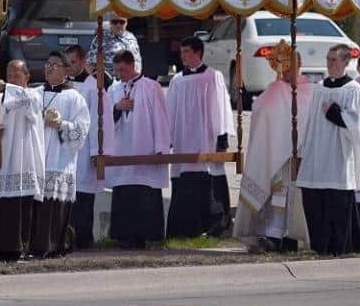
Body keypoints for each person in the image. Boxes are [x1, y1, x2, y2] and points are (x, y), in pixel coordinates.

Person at [234, 41, 313, 253]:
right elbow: (261, 112)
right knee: (278, 196)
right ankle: (274, 235)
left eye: (289, 67)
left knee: (297, 197)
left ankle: (294, 237)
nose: (285, 72)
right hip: (275, 153)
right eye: (282, 68)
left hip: (301, 154)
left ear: (298, 65)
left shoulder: (311, 90)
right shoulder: (274, 90)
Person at [296, 44, 360, 256]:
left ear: (346, 62)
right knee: (314, 201)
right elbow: (310, 123)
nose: (329, 64)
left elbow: (358, 127)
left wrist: (334, 113)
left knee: (338, 204)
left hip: (340, 156)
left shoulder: (353, 90)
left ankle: (341, 247)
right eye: (328, 59)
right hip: (316, 155)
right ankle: (320, 247)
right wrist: (304, 150)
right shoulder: (319, 88)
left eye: (334, 60)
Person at [0, 60, 45, 262]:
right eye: (9, 75)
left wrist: (6, 88)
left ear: (27, 77)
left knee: (17, 206)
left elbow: (29, 105)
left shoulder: (33, 95)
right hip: (0, 156)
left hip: (22, 156)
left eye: (16, 75)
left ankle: (15, 248)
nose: (11, 79)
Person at [166, 36, 234, 238]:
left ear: (198, 52)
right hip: (183, 140)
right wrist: (167, 138)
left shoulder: (213, 76)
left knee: (209, 175)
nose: (182, 56)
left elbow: (222, 107)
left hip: (207, 138)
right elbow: (169, 111)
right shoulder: (177, 80)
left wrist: (222, 136)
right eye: (181, 52)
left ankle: (214, 225)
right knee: (184, 179)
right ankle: (184, 229)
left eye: (186, 51)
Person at [106, 50, 171, 248]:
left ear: (132, 65)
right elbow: (105, 119)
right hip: (121, 149)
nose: (120, 74)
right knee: (123, 192)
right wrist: (117, 108)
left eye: (123, 70)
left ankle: (148, 235)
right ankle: (124, 236)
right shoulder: (114, 89)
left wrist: (161, 146)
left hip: (145, 148)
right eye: (117, 70)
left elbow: (161, 117)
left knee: (145, 191)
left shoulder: (151, 87)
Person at [29, 51, 90, 258]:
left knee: (53, 207)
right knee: (34, 205)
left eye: (55, 65)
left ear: (66, 70)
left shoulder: (74, 98)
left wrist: (61, 124)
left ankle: (53, 246)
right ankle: (32, 246)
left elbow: (82, 129)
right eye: (48, 64)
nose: (50, 68)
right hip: (35, 158)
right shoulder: (34, 93)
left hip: (59, 159)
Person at [64, 45, 114, 249]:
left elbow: (99, 122)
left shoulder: (94, 88)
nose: (69, 67)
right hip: (65, 151)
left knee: (83, 199)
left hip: (85, 152)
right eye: (67, 63)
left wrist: (97, 151)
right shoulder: (64, 86)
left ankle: (84, 241)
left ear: (83, 62)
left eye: (73, 62)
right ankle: (65, 239)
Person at [87, 13, 142, 78]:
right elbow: (90, 64)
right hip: (108, 80)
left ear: (126, 23)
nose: (118, 25)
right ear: (110, 23)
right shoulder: (101, 38)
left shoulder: (131, 38)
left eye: (122, 22)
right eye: (115, 22)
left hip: (129, 80)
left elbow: (137, 62)